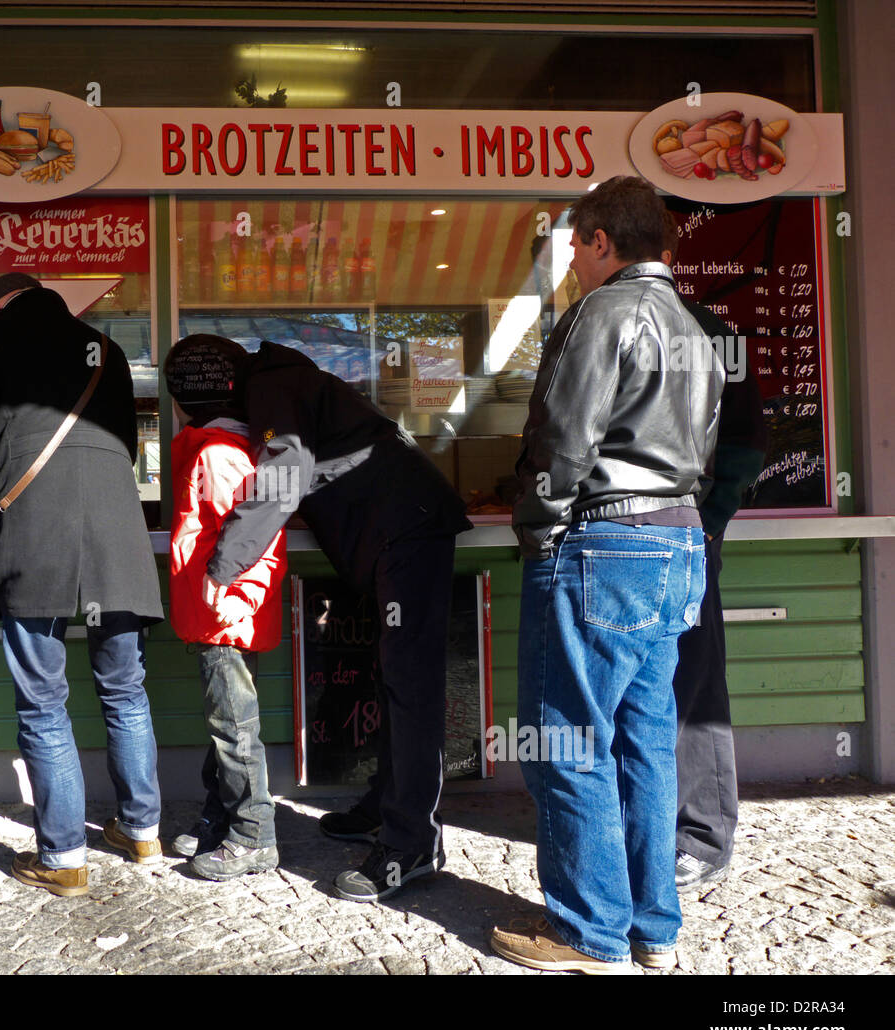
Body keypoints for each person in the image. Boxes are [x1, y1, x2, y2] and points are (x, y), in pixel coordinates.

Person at [490, 176, 723, 973]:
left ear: (598, 241)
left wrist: (538, 531)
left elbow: (562, 441)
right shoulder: (694, 327)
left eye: (574, 248)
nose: (572, 266)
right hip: (678, 541)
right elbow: (709, 456)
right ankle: (652, 927)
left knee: (568, 739)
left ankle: (588, 932)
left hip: (602, 542)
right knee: (647, 741)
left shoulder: (603, 313)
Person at [191, 333, 470, 902]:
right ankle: (386, 805)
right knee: (394, 679)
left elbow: (286, 467)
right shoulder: (289, 379)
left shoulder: (269, 383)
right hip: (400, 530)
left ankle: (411, 843)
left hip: (407, 532)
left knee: (410, 688)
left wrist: (225, 563)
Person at [0, 273, 164, 897]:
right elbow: (130, 448)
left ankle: (64, 858)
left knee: (42, 700)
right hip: (121, 539)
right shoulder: (106, 350)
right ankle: (142, 830)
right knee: (125, 688)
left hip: (35, 538)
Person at [661, 212, 767, 893]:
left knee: (695, 683)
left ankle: (701, 835)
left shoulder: (712, 331)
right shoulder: (604, 325)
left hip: (689, 536)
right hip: (636, 539)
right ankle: (658, 825)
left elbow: (749, 441)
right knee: (661, 685)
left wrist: (709, 522)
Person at [164, 336, 286, 880]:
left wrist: (236, 601)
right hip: (222, 613)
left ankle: (253, 835)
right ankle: (220, 819)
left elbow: (257, 539)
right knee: (228, 728)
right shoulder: (220, 447)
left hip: (224, 617)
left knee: (234, 729)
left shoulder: (216, 453)